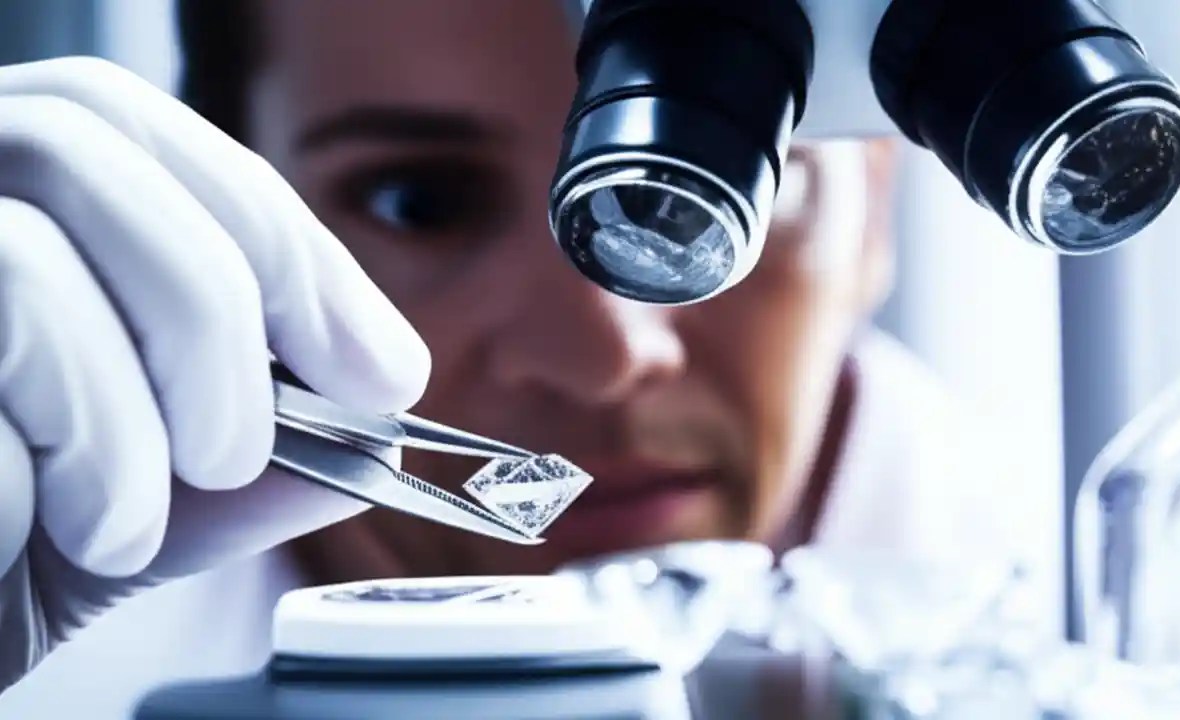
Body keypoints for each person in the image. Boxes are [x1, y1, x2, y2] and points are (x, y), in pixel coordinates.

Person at [0, 1, 1023, 716]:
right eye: (421, 201)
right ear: (216, 202)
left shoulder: (1105, 626)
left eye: (710, 194)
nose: (606, 357)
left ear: (874, 208)